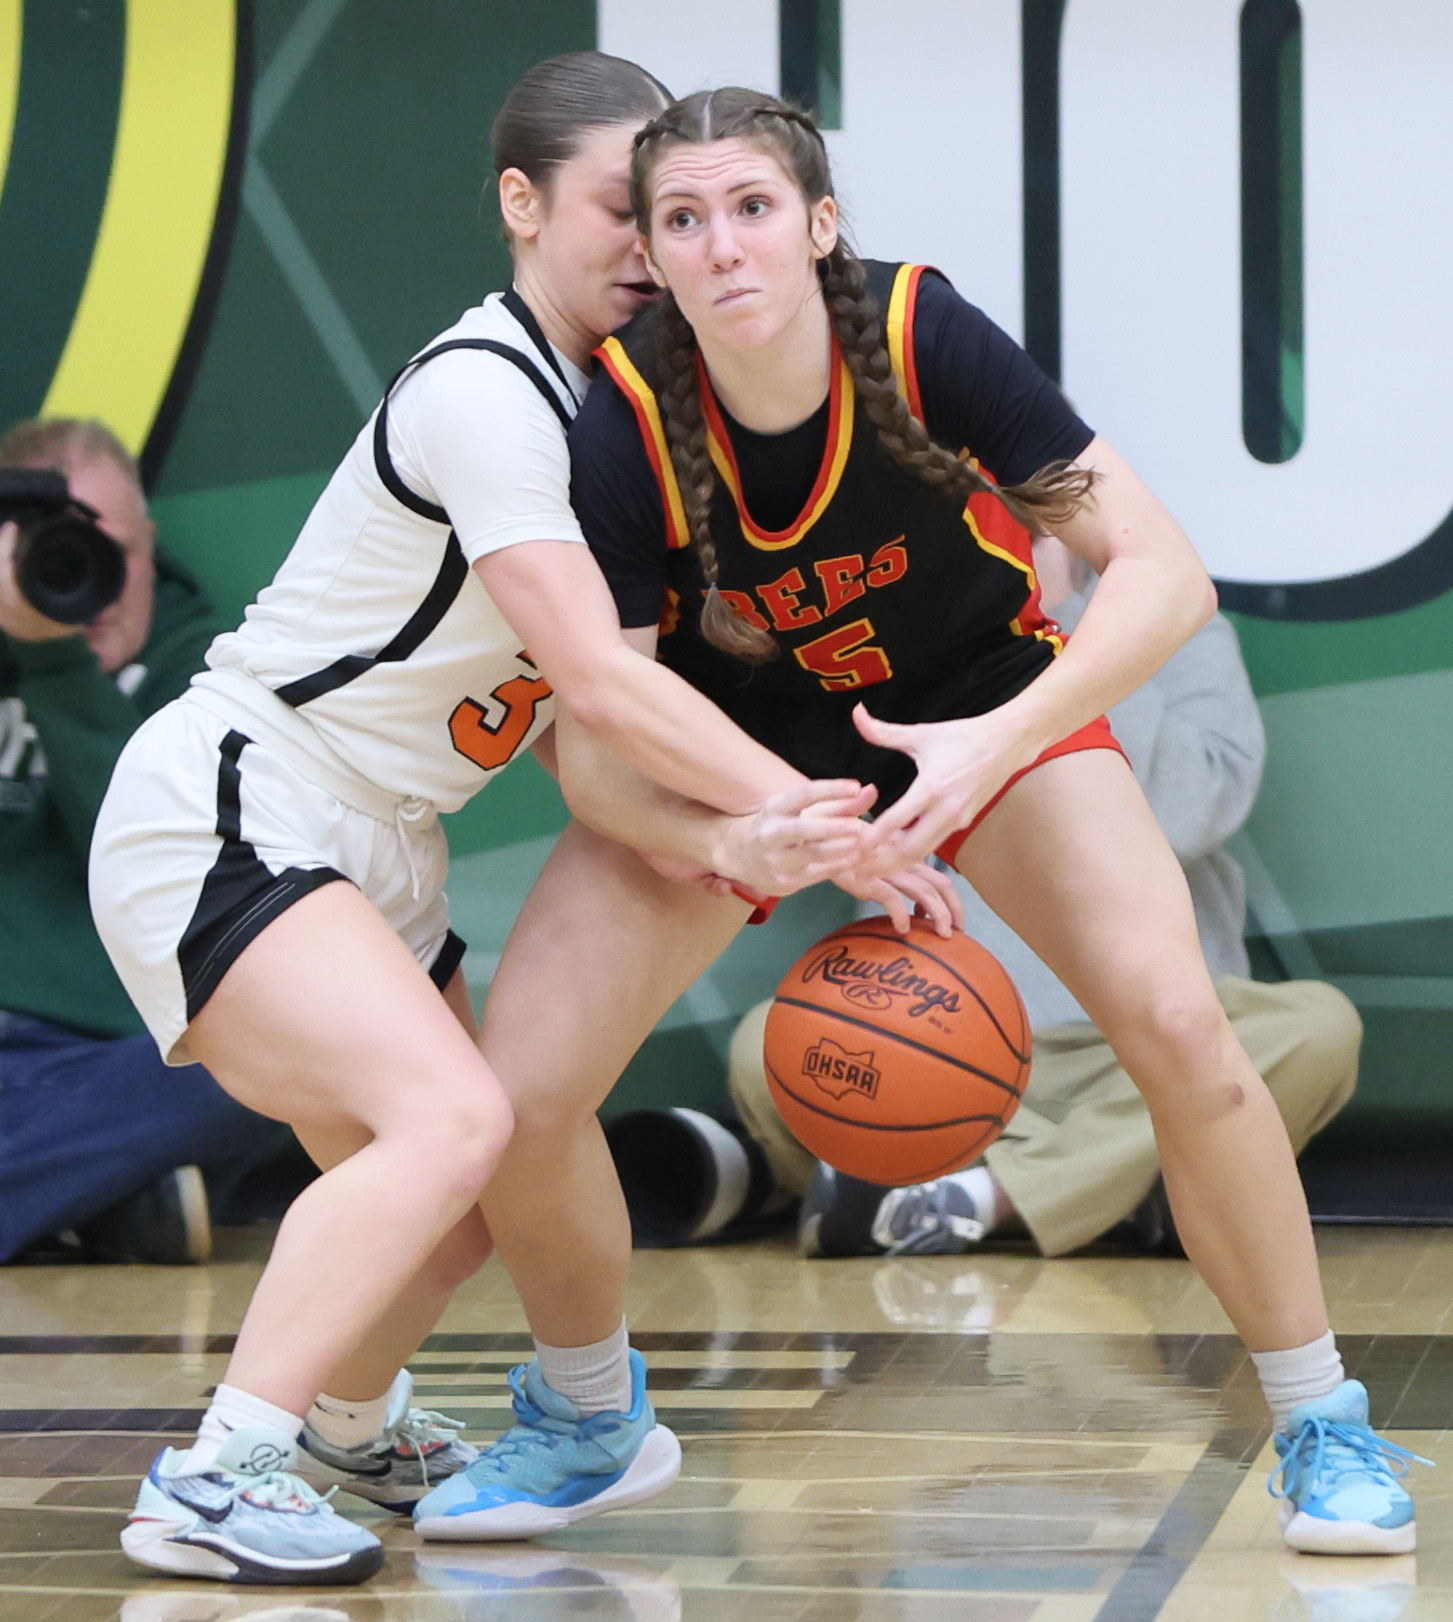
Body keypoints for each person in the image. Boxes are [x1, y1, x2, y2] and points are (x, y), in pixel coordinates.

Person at [88, 54, 945, 1586]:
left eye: (673, 215)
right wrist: (816, 810)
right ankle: (217, 1473)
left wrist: (731, 845)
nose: (651, 247)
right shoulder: (487, 388)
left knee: (455, 1214)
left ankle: (347, 1426)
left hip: (378, 837)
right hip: (242, 795)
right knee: (458, 1118)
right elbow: (597, 683)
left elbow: (578, 753)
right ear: (518, 201)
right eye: (625, 208)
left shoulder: (618, 423)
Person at [542, 88, 1428, 1557]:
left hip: (980, 701)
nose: (719, 245)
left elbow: (1161, 572)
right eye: (682, 220)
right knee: (526, 1085)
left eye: (752, 208)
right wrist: (737, 833)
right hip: (769, 758)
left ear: (818, 224)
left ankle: (1320, 1417)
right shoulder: (628, 415)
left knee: (1184, 1029)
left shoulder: (914, 332)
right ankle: (572, 1412)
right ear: (655, 249)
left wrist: (986, 751)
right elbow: (595, 749)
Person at [724, 537, 1363, 1260]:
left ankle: (977, 1198)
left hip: (1136, 1046)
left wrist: (1059, 629)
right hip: (934, 1039)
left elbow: (1199, 804)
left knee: (1317, 1029)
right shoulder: (879, 633)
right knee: (763, 1046)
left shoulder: (1173, 620)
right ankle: (1115, 1188)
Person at [0, 418, 291, 1266]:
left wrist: (53, 664)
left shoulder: (210, 675)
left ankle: (94, 1189)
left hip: (125, 1056)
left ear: (149, 544)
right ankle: (113, 1199)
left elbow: (159, 859)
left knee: (255, 1076)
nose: (88, 586)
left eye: (109, 553)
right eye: (47, 555)